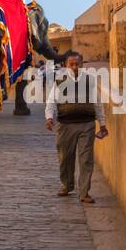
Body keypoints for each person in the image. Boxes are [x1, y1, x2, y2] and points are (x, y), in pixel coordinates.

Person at [43, 51, 109, 203]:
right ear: (65, 66)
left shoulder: (89, 81)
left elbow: (97, 104)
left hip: (87, 125)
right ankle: (67, 185)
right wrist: (49, 118)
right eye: (71, 64)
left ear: (82, 64)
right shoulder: (60, 81)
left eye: (77, 64)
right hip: (65, 126)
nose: (74, 67)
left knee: (86, 159)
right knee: (65, 158)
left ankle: (84, 192)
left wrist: (103, 124)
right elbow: (51, 102)